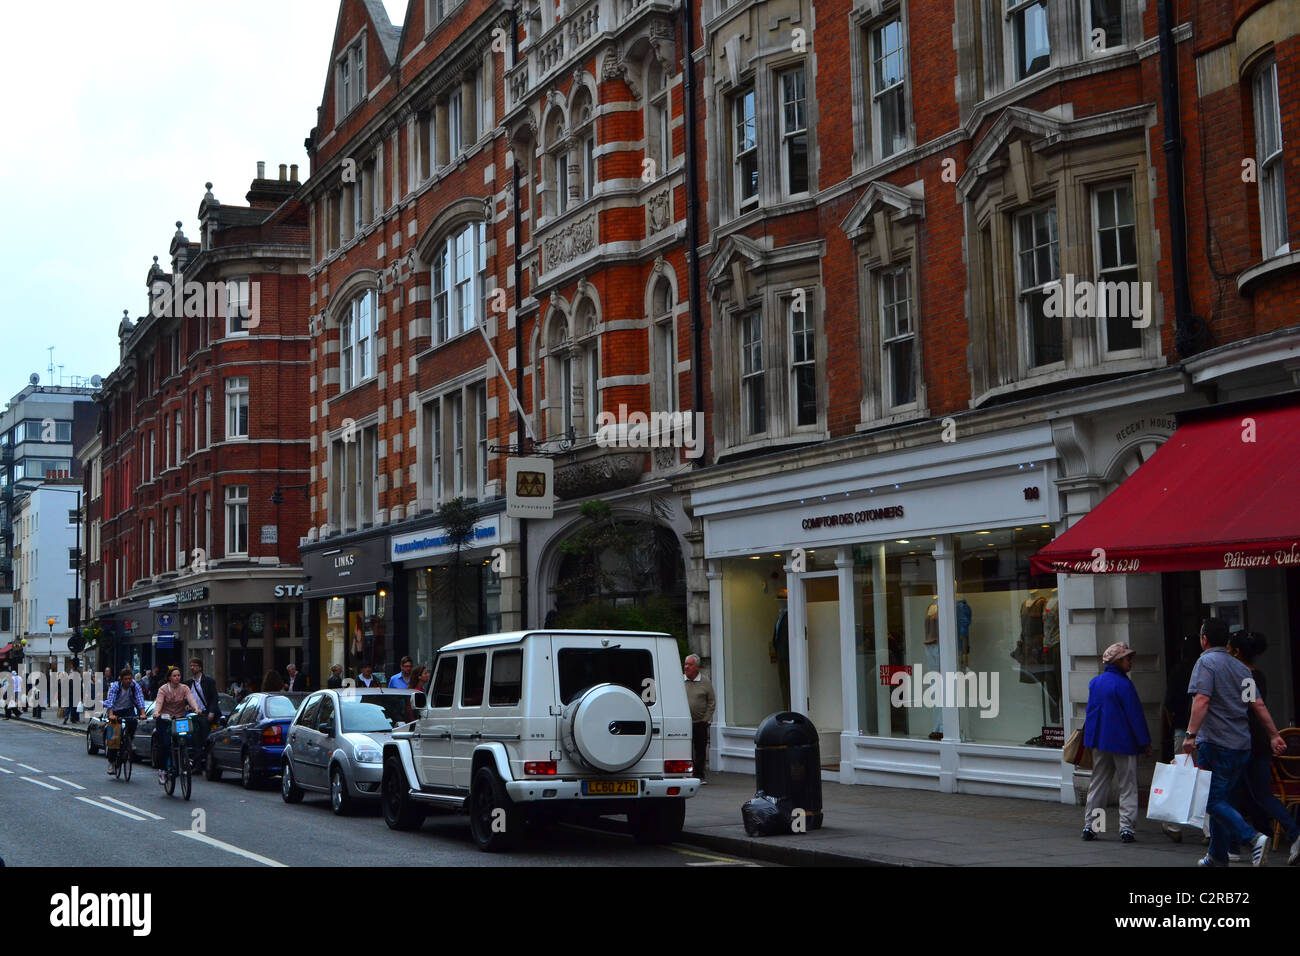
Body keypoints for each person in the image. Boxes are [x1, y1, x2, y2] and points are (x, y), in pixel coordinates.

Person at [1184, 619, 1287, 867]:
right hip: (1241, 744)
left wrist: (1190, 735)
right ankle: (1217, 856)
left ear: (1204, 639)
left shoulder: (1205, 662)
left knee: (1211, 800)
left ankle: (1251, 838)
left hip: (1216, 743)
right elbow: (1257, 705)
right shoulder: (1241, 668)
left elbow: (1202, 700)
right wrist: (1273, 734)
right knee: (1224, 799)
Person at [1227, 631, 1300, 866]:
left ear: (1236, 652)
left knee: (1233, 794)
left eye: (1229, 648)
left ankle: (1235, 845)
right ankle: (1282, 835)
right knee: (1260, 795)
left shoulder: (1245, 677)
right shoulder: (1258, 675)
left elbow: (1249, 707)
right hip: (1257, 741)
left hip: (1245, 741)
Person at [1080, 643, 1150, 843]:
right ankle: (1126, 828)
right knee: (1127, 785)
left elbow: (1091, 714)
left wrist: (1090, 740)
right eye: (1127, 658)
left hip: (1100, 741)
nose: (1130, 661)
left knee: (1099, 783)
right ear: (1117, 661)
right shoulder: (1125, 685)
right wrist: (1144, 742)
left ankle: (1092, 826)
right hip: (1124, 742)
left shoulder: (1095, 683)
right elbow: (1135, 716)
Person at [152, 667, 201, 785]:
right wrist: (157, 712)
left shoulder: (184, 688)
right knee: (165, 744)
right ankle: (162, 770)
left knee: (186, 737)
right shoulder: (163, 689)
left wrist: (196, 708)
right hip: (165, 719)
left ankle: (185, 757)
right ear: (169, 677)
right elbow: (159, 702)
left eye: (179, 675)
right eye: (174, 676)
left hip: (179, 718)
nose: (177, 678)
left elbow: (191, 699)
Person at [101, 668, 145, 775]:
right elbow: (110, 701)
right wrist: (111, 714)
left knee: (133, 722)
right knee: (113, 737)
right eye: (126, 679)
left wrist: (142, 713)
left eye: (130, 678)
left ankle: (129, 740)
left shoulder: (134, 686)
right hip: (115, 710)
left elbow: (140, 698)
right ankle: (111, 763)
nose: (128, 681)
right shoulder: (116, 686)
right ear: (121, 679)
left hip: (128, 709)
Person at [683, 654, 716, 784]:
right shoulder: (681, 680)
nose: (686, 667)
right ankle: (686, 773)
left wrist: (706, 719)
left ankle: (699, 775)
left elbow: (711, 701)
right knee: (685, 749)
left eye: (690, 665)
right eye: (685, 664)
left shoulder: (705, 681)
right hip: (684, 721)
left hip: (700, 722)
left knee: (700, 749)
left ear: (697, 667)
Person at [187, 658, 221, 762]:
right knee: (194, 739)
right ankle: (196, 763)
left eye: (194, 665)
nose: (192, 667)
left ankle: (206, 760)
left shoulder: (209, 681)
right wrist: (186, 705)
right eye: (191, 665)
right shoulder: (189, 683)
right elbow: (185, 697)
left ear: (200, 667)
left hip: (205, 714)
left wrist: (211, 712)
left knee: (205, 739)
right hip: (193, 715)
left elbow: (214, 698)